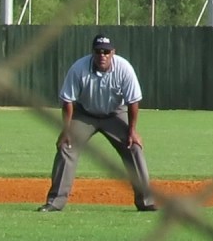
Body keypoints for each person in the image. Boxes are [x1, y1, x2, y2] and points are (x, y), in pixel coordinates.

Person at [38, 34, 158, 213]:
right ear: (92, 52)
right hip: (85, 113)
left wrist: (132, 131)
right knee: (67, 146)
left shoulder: (124, 68)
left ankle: (146, 202)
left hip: (115, 113)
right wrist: (66, 130)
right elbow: (67, 101)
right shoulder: (79, 68)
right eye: (98, 51)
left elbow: (133, 102)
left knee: (134, 148)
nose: (102, 55)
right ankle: (55, 202)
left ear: (113, 53)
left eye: (106, 51)